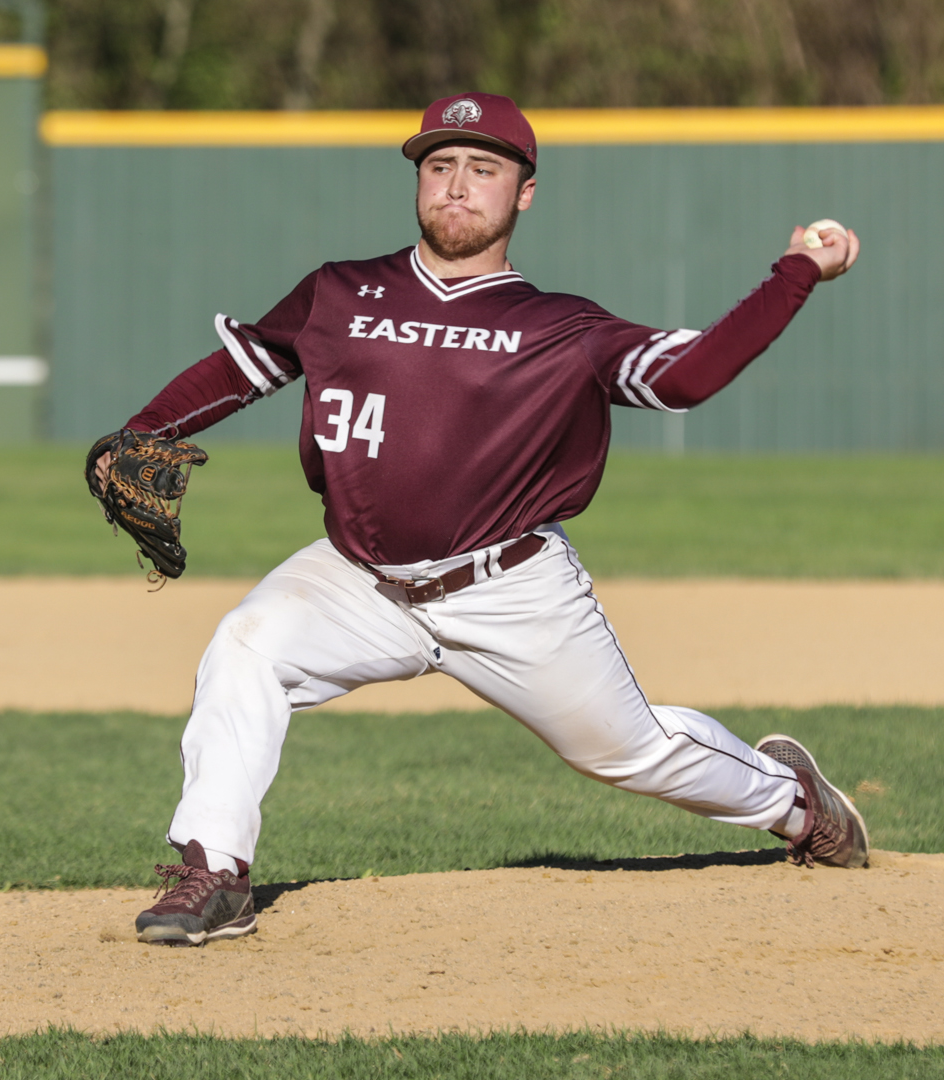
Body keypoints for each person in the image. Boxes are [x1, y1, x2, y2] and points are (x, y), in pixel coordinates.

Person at [94, 93, 869, 947]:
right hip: (359, 577)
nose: (457, 184)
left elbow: (687, 377)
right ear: (418, 181)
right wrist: (143, 432)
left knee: (630, 751)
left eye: (483, 168)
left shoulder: (560, 329)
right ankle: (214, 872)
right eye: (439, 165)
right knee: (246, 644)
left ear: (524, 192)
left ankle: (794, 802)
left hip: (510, 588)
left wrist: (797, 270)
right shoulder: (338, 294)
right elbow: (242, 366)